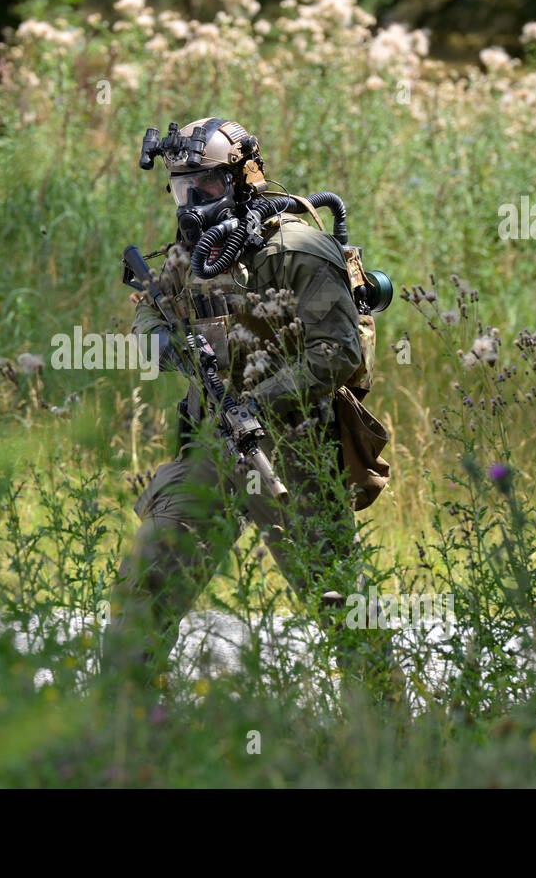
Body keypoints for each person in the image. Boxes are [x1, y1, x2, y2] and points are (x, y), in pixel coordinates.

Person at [103, 116, 387, 689]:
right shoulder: (190, 255)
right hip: (212, 445)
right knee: (147, 582)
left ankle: (390, 738)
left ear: (240, 179)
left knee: (341, 605)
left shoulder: (298, 251)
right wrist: (156, 337)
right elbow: (154, 304)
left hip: (292, 453)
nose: (192, 204)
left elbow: (339, 352)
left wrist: (259, 401)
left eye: (204, 188)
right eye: (183, 190)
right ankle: (118, 731)